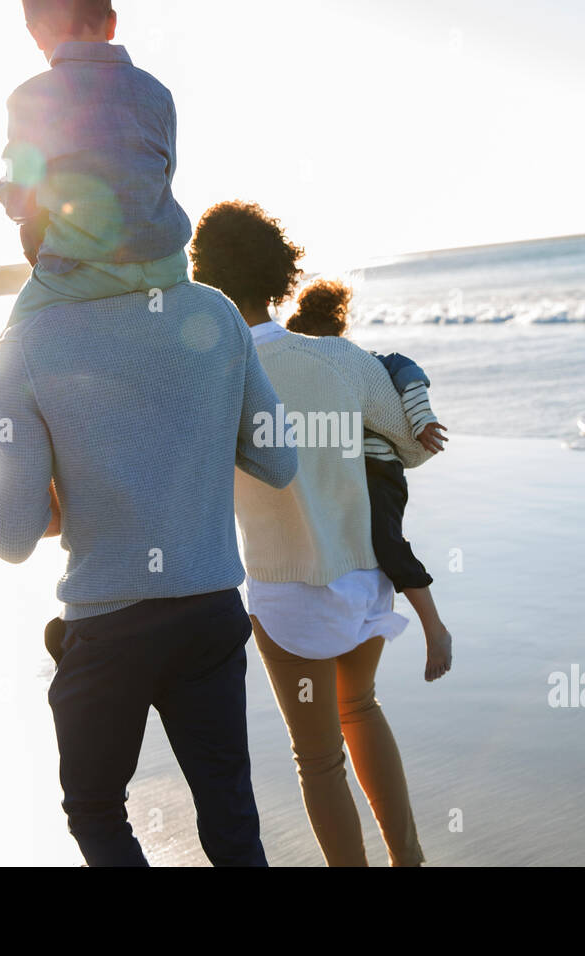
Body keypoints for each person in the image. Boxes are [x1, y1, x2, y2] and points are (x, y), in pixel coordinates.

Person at [0, 4, 299, 866]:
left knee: (95, 809)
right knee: (232, 819)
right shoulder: (215, 314)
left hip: (109, 622)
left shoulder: (30, 341)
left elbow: (11, 536)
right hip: (207, 609)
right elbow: (276, 456)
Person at [191, 200, 437, 866]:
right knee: (361, 708)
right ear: (279, 272)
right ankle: (409, 859)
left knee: (319, 757)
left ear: (205, 279)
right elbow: (413, 449)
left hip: (284, 589)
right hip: (362, 577)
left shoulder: (217, 374)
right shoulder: (340, 360)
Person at [288, 280, 454, 682]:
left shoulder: (358, 360)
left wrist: (422, 419)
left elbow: (404, 366)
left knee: (387, 544)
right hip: (348, 477)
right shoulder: (302, 369)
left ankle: (435, 629)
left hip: (380, 474)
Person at [0, 0, 192, 327]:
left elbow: (20, 199)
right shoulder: (158, 92)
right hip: (167, 266)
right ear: (111, 23)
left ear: (35, 34)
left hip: (85, 271)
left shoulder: (29, 97)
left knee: (5, 355)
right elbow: (163, 176)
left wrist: (4, 188)